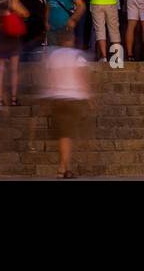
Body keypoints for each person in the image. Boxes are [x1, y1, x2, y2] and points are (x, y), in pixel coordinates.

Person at [42, 30, 90, 178]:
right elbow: (83, 77)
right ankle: (63, 168)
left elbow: (49, 78)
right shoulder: (77, 56)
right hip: (72, 98)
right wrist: (88, 97)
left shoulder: (53, 56)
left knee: (64, 135)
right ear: (72, 40)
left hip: (57, 98)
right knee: (66, 135)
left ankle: (64, 167)